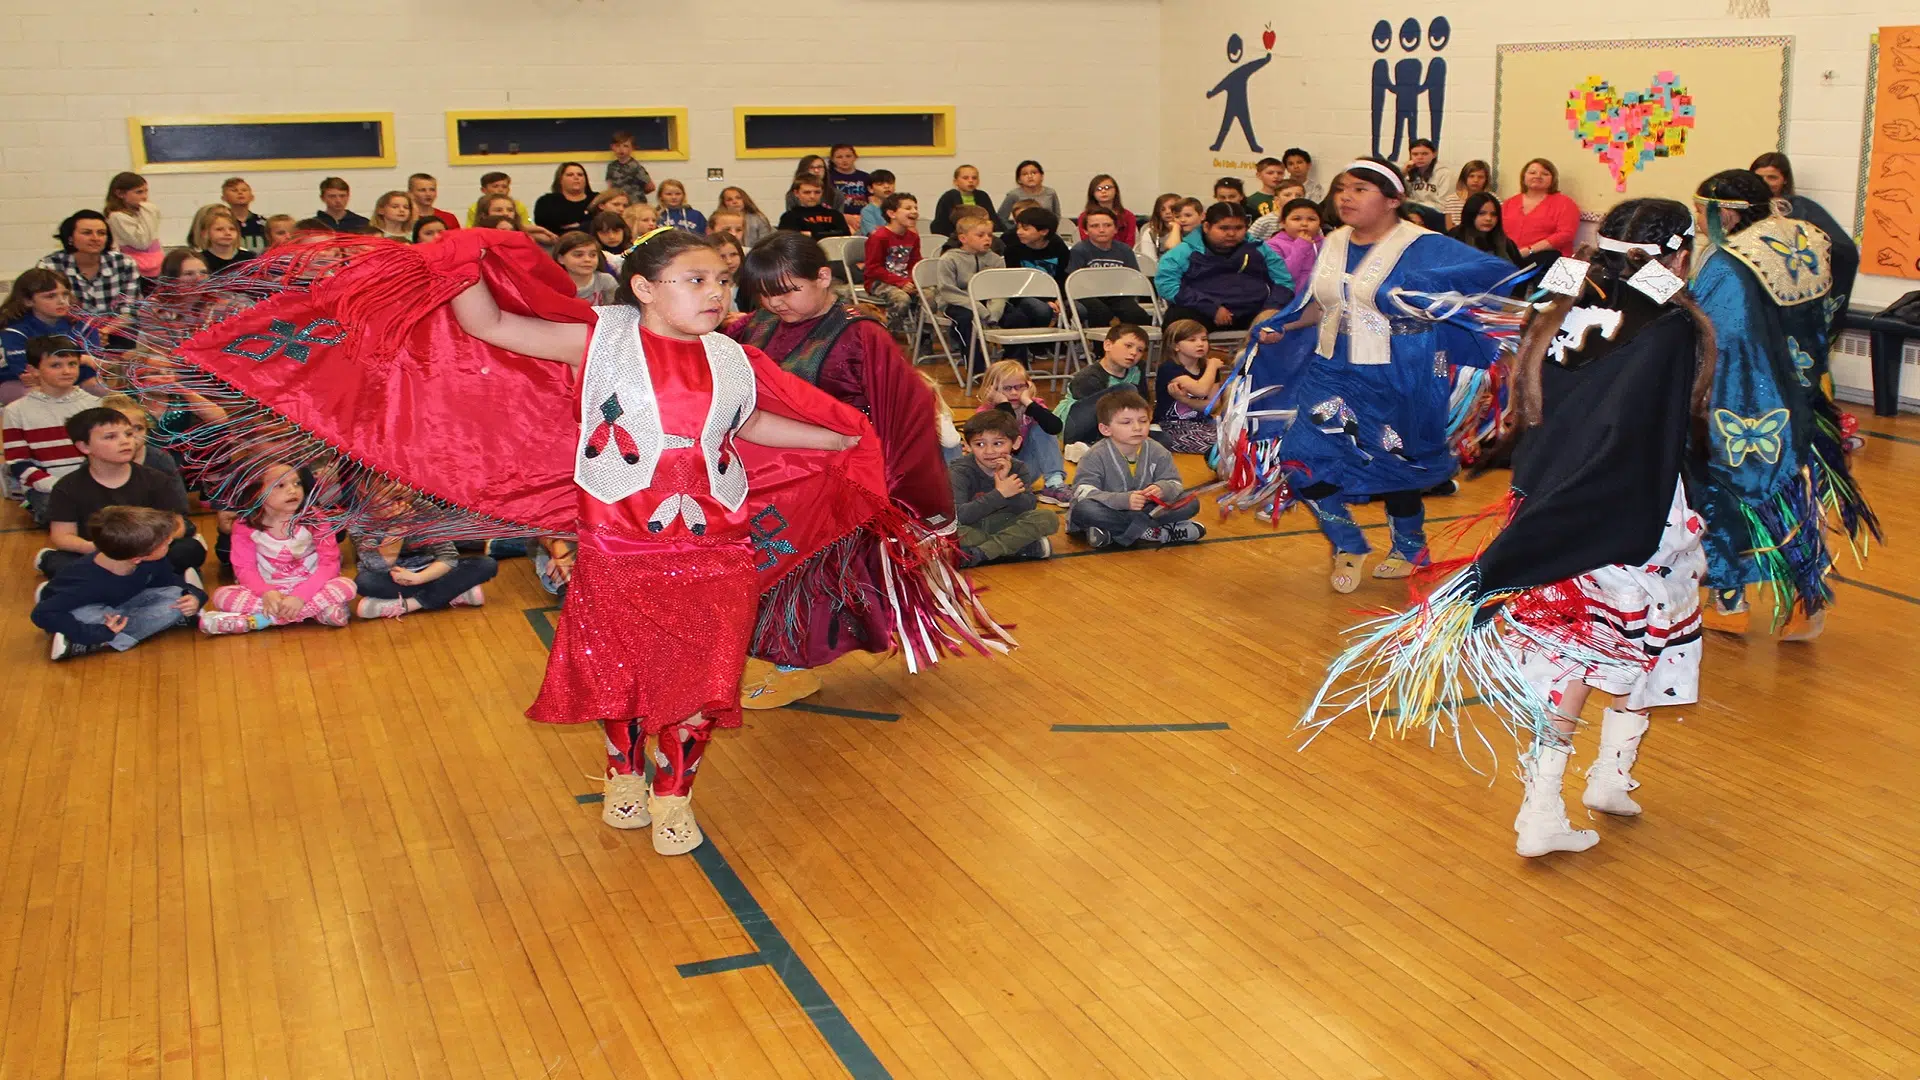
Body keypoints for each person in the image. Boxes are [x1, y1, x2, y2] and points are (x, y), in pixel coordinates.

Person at [1298, 197, 1716, 858]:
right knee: (1609, 642)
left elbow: (1519, 350)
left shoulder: (1560, 283)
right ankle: (1544, 805)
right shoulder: (1671, 321)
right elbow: (1660, 412)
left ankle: (1605, 778)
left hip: (1551, 487)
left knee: (1609, 641)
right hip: (1622, 505)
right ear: (1680, 253)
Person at [1237, 158, 1523, 591]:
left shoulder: (1424, 245)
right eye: (1342, 189)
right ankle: (1348, 543)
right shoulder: (1332, 241)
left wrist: (1427, 303)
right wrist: (1286, 323)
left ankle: (1410, 546)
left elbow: (1497, 273)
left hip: (1403, 372)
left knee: (1395, 462)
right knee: (1301, 458)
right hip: (1332, 369)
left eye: (1360, 190)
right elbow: (1321, 303)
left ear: (1392, 200)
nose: (1346, 197)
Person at [729, 232, 967, 705]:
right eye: (767, 293)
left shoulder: (861, 334)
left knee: (808, 575)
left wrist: (896, 488)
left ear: (823, 276)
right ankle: (772, 657)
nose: (777, 303)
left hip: (839, 483)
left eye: (788, 290)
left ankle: (792, 664)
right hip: (771, 480)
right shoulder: (754, 327)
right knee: (767, 569)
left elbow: (907, 409)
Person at [1690, 168, 1874, 641]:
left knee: (1724, 494)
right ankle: (1804, 603)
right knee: (1792, 494)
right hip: (1800, 392)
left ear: (1725, 212)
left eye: (1701, 212)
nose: (1699, 221)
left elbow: (1715, 335)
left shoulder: (1729, 265)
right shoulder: (1801, 244)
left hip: (1742, 400)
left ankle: (1728, 604)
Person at [38, 406, 205, 578]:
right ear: (84, 446)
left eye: (128, 434)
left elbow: (176, 525)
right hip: (98, 552)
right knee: (60, 563)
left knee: (187, 550)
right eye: (111, 437)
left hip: (149, 550)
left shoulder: (155, 479)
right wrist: (102, 550)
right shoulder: (68, 486)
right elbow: (62, 535)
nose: (125, 441)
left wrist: (144, 549)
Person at [198, 464, 357, 633]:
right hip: (270, 592)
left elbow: (329, 565)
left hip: (312, 588)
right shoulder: (245, 526)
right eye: (281, 485)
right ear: (257, 492)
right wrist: (267, 593)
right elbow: (245, 570)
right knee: (221, 596)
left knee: (347, 585)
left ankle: (259, 620)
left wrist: (300, 596)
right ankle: (318, 612)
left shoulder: (316, 519)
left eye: (297, 484)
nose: (292, 490)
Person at [31, 506, 204, 661]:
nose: (170, 543)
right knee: (86, 616)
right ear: (138, 558)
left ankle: (100, 641)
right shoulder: (84, 581)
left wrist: (194, 596)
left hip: (123, 606)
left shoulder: (153, 561)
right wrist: (93, 633)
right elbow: (41, 614)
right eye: (166, 544)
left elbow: (171, 583)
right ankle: (93, 640)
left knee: (175, 598)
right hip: (86, 608)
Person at [1067, 389, 1204, 548]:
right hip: (1112, 510)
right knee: (1085, 509)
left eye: (1143, 421)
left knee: (1190, 502)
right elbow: (1083, 491)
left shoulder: (1157, 451)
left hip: (1146, 510)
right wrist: (1123, 500)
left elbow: (1175, 483)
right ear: (1105, 429)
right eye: (1126, 422)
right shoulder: (1095, 455)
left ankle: (1117, 532)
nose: (1137, 427)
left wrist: (1162, 488)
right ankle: (1157, 532)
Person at [1751, 151, 1859, 340]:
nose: (1766, 182)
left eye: (1772, 177)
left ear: (1785, 180)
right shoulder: (1742, 209)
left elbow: (1842, 248)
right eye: (1759, 178)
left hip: (1789, 303)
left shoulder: (1800, 209)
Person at [1153, 201, 1293, 332]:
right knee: (1178, 322)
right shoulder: (1183, 252)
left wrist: (1271, 308)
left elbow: (1284, 282)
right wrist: (1210, 308)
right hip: (1201, 311)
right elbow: (1167, 284)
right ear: (1207, 227)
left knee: (1289, 317)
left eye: (1239, 228)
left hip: (1255, 312)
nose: (1231, 234)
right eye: (1223, 228)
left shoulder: (1260, 249)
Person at [949, 408, 1057, 566]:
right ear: (967, 446)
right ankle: (1019, 548)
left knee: (1048, 518)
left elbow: (1028, 507)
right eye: (979, 444)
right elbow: (959, 516)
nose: (989, 451)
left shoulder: (1018, 468)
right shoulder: (959, 471)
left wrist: (1009, 489)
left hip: (1005, 523)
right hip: (972, 527)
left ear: (1016, 443)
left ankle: (981, 553)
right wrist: (999, 494)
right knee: (955, 534)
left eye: (998, 443)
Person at [5, 340, 99, 520]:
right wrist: (56, 485)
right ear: (33, 370)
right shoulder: (16, 411)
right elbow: (17, 462)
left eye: (72, 364)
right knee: (57, 510)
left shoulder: (95, 404)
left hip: (94, 484)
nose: (67, 371)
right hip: (47, 488)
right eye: (56, 365)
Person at [351, 525, 496, 618]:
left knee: (486, 564)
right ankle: (452, 591)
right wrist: (396, 532)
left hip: (431, 572)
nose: (398, 503)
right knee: (364, 581)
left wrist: (419, 578)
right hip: (391, 577)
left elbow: (448, 556)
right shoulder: (360, 521)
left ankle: (408, 605)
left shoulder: (424, 509)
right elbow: (377, 565)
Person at [976, 359, 1070, 504]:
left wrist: (1028, 401)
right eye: (1007, 388)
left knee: (1041, 426)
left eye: (1020, 387)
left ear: (1028, 386)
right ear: (992, 390)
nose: (1014, 393)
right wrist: (1003, 404)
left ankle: (1054, 483)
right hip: (997, 473)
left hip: (1024, 469)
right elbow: (1008, 432)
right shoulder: (986, 412)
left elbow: (1055, 427)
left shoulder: (1032, 405)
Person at [1, 273, 103, 402]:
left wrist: (77, 368)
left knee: (103, 393)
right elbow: (28, 374)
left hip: (75, 379)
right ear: (28, 301)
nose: (61, 301)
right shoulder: (14, 329)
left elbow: (96, 365)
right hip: (18, 383)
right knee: (41, 397)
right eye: (50, 296)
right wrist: (81, 359)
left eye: (65, 294)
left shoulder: (82, 324)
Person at [40, 211, 142, 324]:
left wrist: (105, 332)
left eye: (101, 233)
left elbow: (129, 309)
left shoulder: (124, 263)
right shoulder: (50, 266)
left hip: (116, 330)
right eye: (87, 233)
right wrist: (88, 334)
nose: (95, 238)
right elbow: (46, 310)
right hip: (68, 331)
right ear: (70, 238)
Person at [1058, 322, 1151, 447]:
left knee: (1163, 439)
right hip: (1075, 428)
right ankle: (1091, 446)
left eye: (1140, 350)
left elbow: (1143, 402)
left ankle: (1103, 446)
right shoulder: (1088, 377)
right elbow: (1097, 417)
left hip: (1116, 425)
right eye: (1128, 346)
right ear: (1108, 345)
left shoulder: (1137, 369)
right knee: (1127, 389)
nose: (1134, 353)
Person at [933, 212, 1004, 362]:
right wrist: (978, 308)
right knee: (967, 319)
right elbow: (948, 291)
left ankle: (1014, 367)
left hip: (988, 303)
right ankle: (976, 367)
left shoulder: (996, 260)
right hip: (956, 303)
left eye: (990, 235)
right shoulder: (949, 259)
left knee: (1017, 318)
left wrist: (994, 313)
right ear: (963, 238)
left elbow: (1000, 290)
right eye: (980, 235)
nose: (987, 239)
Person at [1067, 207, 1152, 330]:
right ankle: (1099, 348)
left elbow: (1133, 277)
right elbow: (1074, 281)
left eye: (1107, 225)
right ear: (1085, 230)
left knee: (1137, 315)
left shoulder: (1125, 250)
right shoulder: (1079, 251)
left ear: (1115, 229)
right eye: (1094, 226)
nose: (1101, 230)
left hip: (1117, 295)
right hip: (1089, 296)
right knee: (1100, 312)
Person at [1154, 320, 1227, 453]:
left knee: (1234, 438)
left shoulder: (1208, 369)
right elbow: (1201, 390)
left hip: (1202, 422)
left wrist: (1186, 400)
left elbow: (1213, 405)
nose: (1200, 344)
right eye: (1192, 340)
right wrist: (1212, 366)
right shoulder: (1169, 368)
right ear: (1176, 346)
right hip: (1171, 425)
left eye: (1204, 339)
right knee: (1218, 446)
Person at [1503, 158, 1579, 272]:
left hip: (1546, 258)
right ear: (1524, 177)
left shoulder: (1565, 204)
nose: (1538, 176)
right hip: (1510, 255)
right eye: (1532, 172)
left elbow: (1565, 234)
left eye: (1545, 174)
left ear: (1552, 179)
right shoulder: (1509, 203)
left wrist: (1529, 250)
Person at [862, 193, 922, 335]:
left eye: (916, 207)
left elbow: (915, 262)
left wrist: (912, 281)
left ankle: (922, 338)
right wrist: (900, 282)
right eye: (908, 208)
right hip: (878, 281)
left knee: (929, 296)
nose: (914, 211)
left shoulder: (913, 237)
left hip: (905, 281)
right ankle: (887, 335)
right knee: (901, 299)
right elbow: (873, 268)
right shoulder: (879, 237)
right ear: (891, 213)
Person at [104, 171, 164, 280]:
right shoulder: (117, 217)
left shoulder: (141, 212)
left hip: (155, 267)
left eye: (146, 191)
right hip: (136, 270)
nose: (144, 197)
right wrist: (148, 212)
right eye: (139, 192)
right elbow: (142, 242)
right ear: (120, 194)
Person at [1263, 198, 1325, 292]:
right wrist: (1301, 247)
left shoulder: (1327, 243)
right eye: (1296, 219)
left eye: (1311, 219)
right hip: (1289, 300)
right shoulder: (1272, 245)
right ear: (1283, 223)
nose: (1304, 224)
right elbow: (1284, 276)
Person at [1447, 192, 1523, 265]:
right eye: (1482, 213)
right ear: (1470, 214)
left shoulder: (1507, 243)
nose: (1488, 218)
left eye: (1493, 214)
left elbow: (1520, 271)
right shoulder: (1455, 238)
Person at [931, 164, 1003, 237]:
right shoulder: (948, 197)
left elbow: (993, 220)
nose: (971, 181)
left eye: (974, 178)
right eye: (965, 178)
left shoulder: (982, 196)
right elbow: (940, 225)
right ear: (955, 181)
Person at [533, 162, 596, 237]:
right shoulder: (546, 202)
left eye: (580, 175)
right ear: (560, 180)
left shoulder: (597, 199)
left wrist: (580, 226)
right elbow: (543, 226)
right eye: (570, 175)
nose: (576, 178)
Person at [554, 231, 618, 303]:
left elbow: (616, 308)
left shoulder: (606, 280)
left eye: (593, 255)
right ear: (561, 259)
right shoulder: (553, 285)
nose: (587, 260)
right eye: (578, 255)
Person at [776, 178, 849, 240]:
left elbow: (845, 238)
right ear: (796, 193)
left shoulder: (835, 215)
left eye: (817, 192)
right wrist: (828, 234)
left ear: (822, 192)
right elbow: (788, 241)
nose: (812, 196)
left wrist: (811, 234)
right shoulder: (789, 217)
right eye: (807, 192)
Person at [191, 204, 255, 272]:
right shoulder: (200, 260)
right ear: (205, 233)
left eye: (232, 229)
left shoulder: (249, 258)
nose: (227, 233)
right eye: (219, 229)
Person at [1079, 175, 1137, 248]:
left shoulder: (1128, 216)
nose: (1103, 191)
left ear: (1116, 191)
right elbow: (1086, 242)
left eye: (1107, 188)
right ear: (1092, 193)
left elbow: (1130, 242)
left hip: (1122, 256)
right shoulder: (1084, 217)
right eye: (1098, 189)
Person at [219, 177, 271, 253]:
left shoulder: (263, 223)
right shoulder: (221, 223)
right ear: (224, 198)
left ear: (252, 197)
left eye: (244, 190)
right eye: (234, 190)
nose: (240, 193)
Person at [1136, 194, 1184, 273]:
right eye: (1162, 209)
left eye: (1171, 208)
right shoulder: (1150, 233)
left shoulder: (1188, 230)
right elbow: (1150, 263)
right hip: (1161, 273)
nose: (1167, 212)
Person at [825, 144, 871, 227]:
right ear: (832, 159)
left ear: (855, 157)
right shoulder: (827, 178)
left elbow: (872, 200)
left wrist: (867, 216)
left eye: (848, 156)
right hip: (839, 217)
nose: (844, 160)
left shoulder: (865, 177)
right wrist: (845, 217)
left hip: (864, 217)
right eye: (839, 157)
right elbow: (825, 205)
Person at [466, 173, 533, 229]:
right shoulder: (474, 207)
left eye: (504, 187)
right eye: (495, 186)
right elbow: (471, 228)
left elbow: (526, 226)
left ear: (509, 190)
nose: (500, 190)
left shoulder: (519, 206)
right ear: (484, 190)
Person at [604, 130, 655, 203]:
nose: (621, 149)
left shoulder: (635, 166)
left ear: (632, 148)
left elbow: (650, 187)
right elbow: (610, 186)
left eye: (625, 146)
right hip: (619, 203)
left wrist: (636, 193)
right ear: (612, 147)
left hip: (636, 204)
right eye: (617, 146)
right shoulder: (611, 166)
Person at [1402, 139, 1447, 216]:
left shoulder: (1444, 174)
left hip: (1436, 214)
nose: (1420, 157)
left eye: (1425, 154)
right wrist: (1403, 173)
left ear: (1434, 154)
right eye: (1415, 154)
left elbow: (1443, 206)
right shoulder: (1410, 172)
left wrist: (1415, 204)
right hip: (1414, 211)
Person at [1443, 159, 1491, 229]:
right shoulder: (1451, 200)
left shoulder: (1493, 199)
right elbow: (1449, 228)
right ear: (1464, 178)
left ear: (1486, 180)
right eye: (1471, 176)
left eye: (1480, 177)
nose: (1476, 180)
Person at [855, 171, 897, 236]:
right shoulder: (867, 211)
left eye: (890, 183)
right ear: (870, 189)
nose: (887, 186)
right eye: (880, 184)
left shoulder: (899, 207)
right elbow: (874, 234)